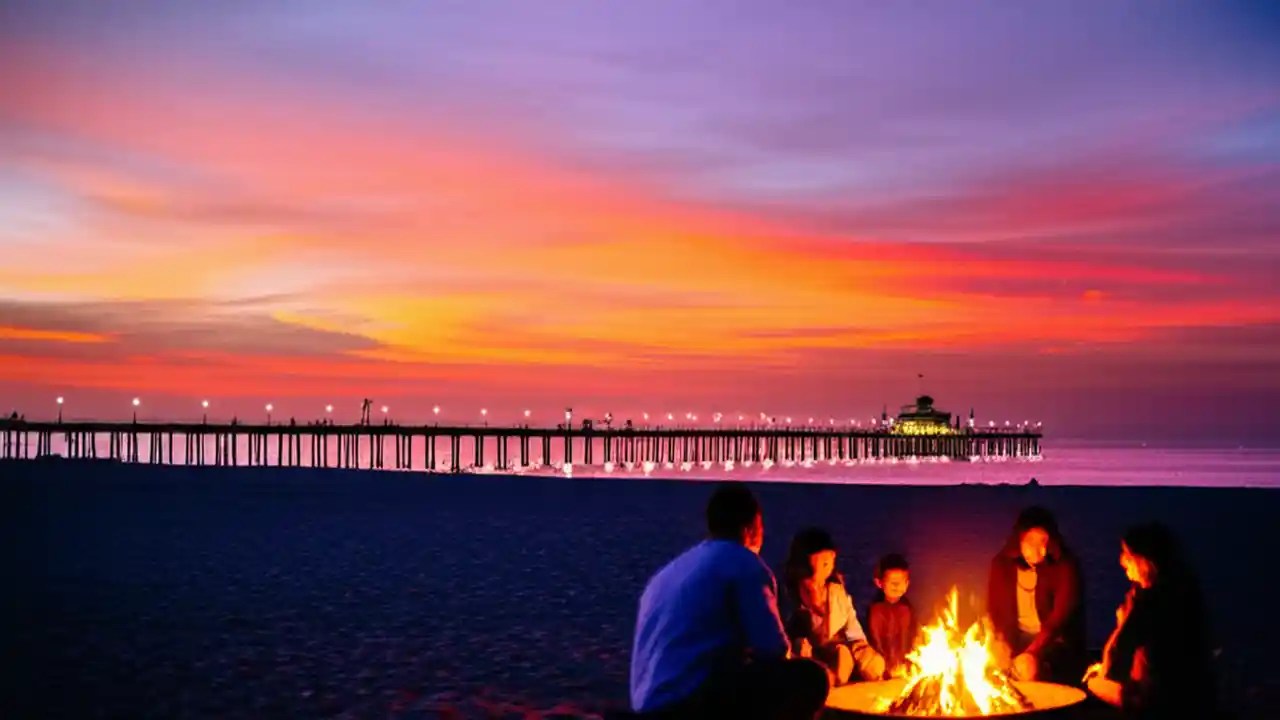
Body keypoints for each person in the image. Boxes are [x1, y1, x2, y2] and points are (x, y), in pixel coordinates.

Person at [630, 483, 829, 720]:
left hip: (646, 704)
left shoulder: (669, 572)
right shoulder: (744, 562)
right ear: (750, 528)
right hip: (688, 703)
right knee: (812, 677)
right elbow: (774, 649)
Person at [1083, 523, 1215, 718]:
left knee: (1093, 681)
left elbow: (1116, 659)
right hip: (1195, 693)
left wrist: (1122, 623)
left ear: (1144, 561)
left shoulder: (1148, 601)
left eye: (1127, 555)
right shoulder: (1185, 591)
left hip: (1158, 700)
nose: (1122, 561)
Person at [987, 506, 1086, 683]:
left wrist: (1031, 652)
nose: (1037, 551)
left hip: (1053, 643)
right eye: (1030, 542)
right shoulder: (1001, 565)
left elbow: (1057, 621)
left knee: (1027, 668)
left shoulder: (1064, 567)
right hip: (1015, 639)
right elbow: (994, 612)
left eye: (1043, 542)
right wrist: (1000, 645)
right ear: (1019, 540)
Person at [782, 528, 885, 686]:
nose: (818, 574)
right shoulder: (788, 595)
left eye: (825, 564)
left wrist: (864, 653)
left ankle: (836, 688)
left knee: (851, 657)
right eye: (811, 567)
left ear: (833, 559)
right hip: (803, 661)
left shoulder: (836, 593)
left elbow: (853, 630)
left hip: (834, 658)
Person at [866, 553, 918, 678]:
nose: (896, 585)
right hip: (881, 667)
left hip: (904, 666)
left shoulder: (907, 609)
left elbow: (910, 638)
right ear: (879, 583)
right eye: (892, 582)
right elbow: (874, 641)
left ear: (907, 584)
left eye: (900, 582)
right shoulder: (875, 609)